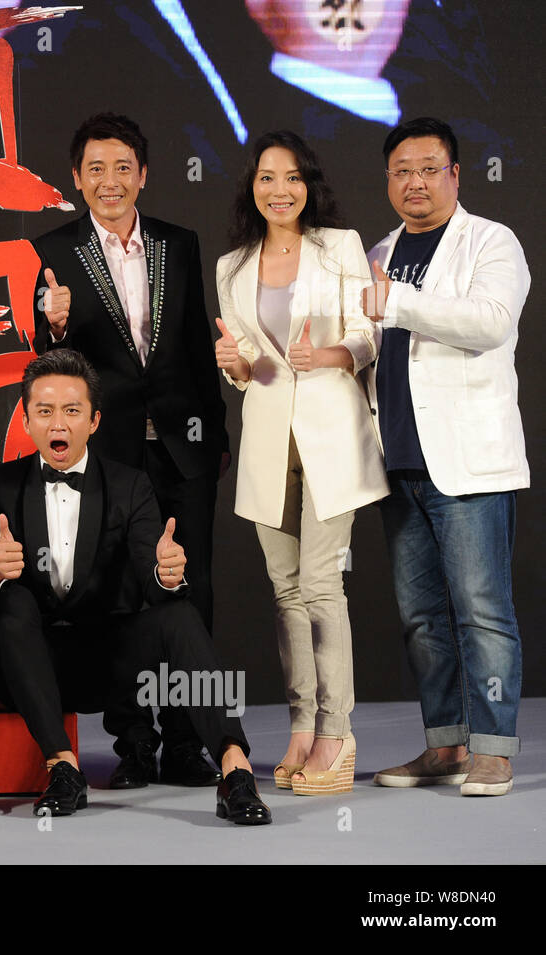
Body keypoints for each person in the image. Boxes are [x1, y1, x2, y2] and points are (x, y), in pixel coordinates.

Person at [0, 350, 270, 824]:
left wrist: (166, 574)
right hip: (29, 665)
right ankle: (63, 770)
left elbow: (153, 584)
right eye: (45, 411)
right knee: (10, 601)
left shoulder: (129, 485)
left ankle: (235, 770)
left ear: (95, 421)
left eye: (72, 411)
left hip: (110, 667)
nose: (59, 423)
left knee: (180, 614)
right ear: (28, 421)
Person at [32, 112, 227, 788]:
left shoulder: (180, 243)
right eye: (95, 169)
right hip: (110, 454)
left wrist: (215, 438)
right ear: (76, 180)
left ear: (143, 175)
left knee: (190, 596)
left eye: (122, 168)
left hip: (185, 449)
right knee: (121, 597)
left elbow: (199, 348)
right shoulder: (54, 249)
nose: (109, 181)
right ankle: (135, 744)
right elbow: (54, 370)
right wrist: (50, 326)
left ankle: (189, 743)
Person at [214, 130, 389, 795]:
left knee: (321, 584)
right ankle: (300, 724)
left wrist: (336, 355)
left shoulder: (338, 246)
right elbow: (249, 363)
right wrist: (237, 368)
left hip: (331, 433)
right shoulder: (233, 265)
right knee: (284, 590)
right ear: (252, 186)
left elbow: (367, 332)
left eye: (290, 177)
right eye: (265, 177)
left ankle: (337, 732)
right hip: (266, 434)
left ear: (308, 184)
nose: (278, 189)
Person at [362, 117, 530, 797]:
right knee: (422, 616)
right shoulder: (379, 248)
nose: (415, 182)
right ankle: (446, 743)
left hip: (467, 461)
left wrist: (397, 299)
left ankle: (493, 749)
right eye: (402, 170)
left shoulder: (492, 241)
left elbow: (490, 321)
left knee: (482, 608)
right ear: (389, 180)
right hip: (398, 460)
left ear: (455, 175)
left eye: (429, 168)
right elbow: (370, 348)